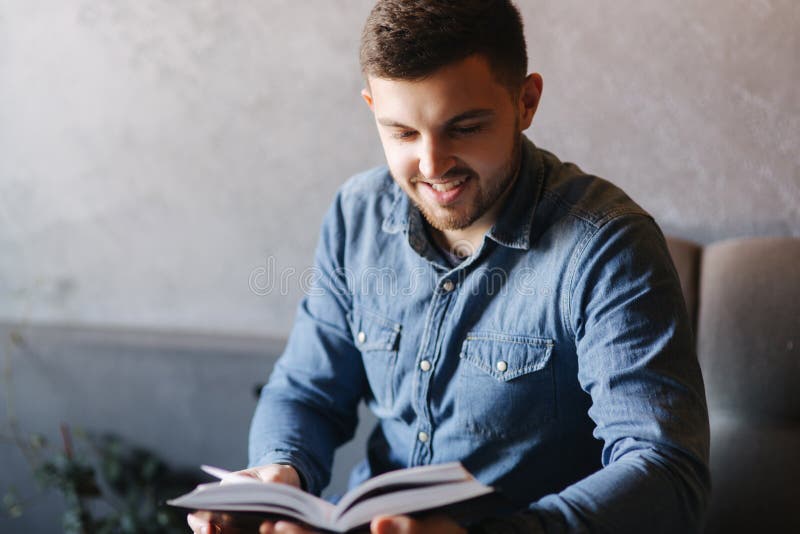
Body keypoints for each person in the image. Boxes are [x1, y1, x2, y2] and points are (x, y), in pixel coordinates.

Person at [189, 1, 710, 532]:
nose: (432, 165)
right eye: (403, 133)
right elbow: (307, 392)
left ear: (526, 102)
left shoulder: (608, 246)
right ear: (372, 107)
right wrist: (278, 474)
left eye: (464, 128)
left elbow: (665, 472)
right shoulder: (356, 215)